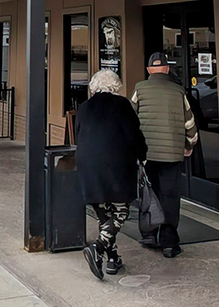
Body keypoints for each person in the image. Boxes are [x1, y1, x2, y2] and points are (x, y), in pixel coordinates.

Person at [75, 69, 147, 280]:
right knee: (121, 212)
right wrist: (142, 156)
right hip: (115, 166)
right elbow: (134, 135)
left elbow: (78, 134)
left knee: (105, 215)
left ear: (94, 86)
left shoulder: (84, 107)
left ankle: (112, 259)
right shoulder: (122, 105)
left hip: (88, 165)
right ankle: (97, 248)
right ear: (116, 86)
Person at [131, 52, 198, 258]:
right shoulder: (179, 92)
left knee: (148, 195)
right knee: (170, 197)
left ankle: (149, 234)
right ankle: (169, 242)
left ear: (149, 70)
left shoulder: (139, 89)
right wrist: (188, 145)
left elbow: (130, 119)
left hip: (147, 155)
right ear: (167, 69)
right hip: (172, 155)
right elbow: (190, 125)